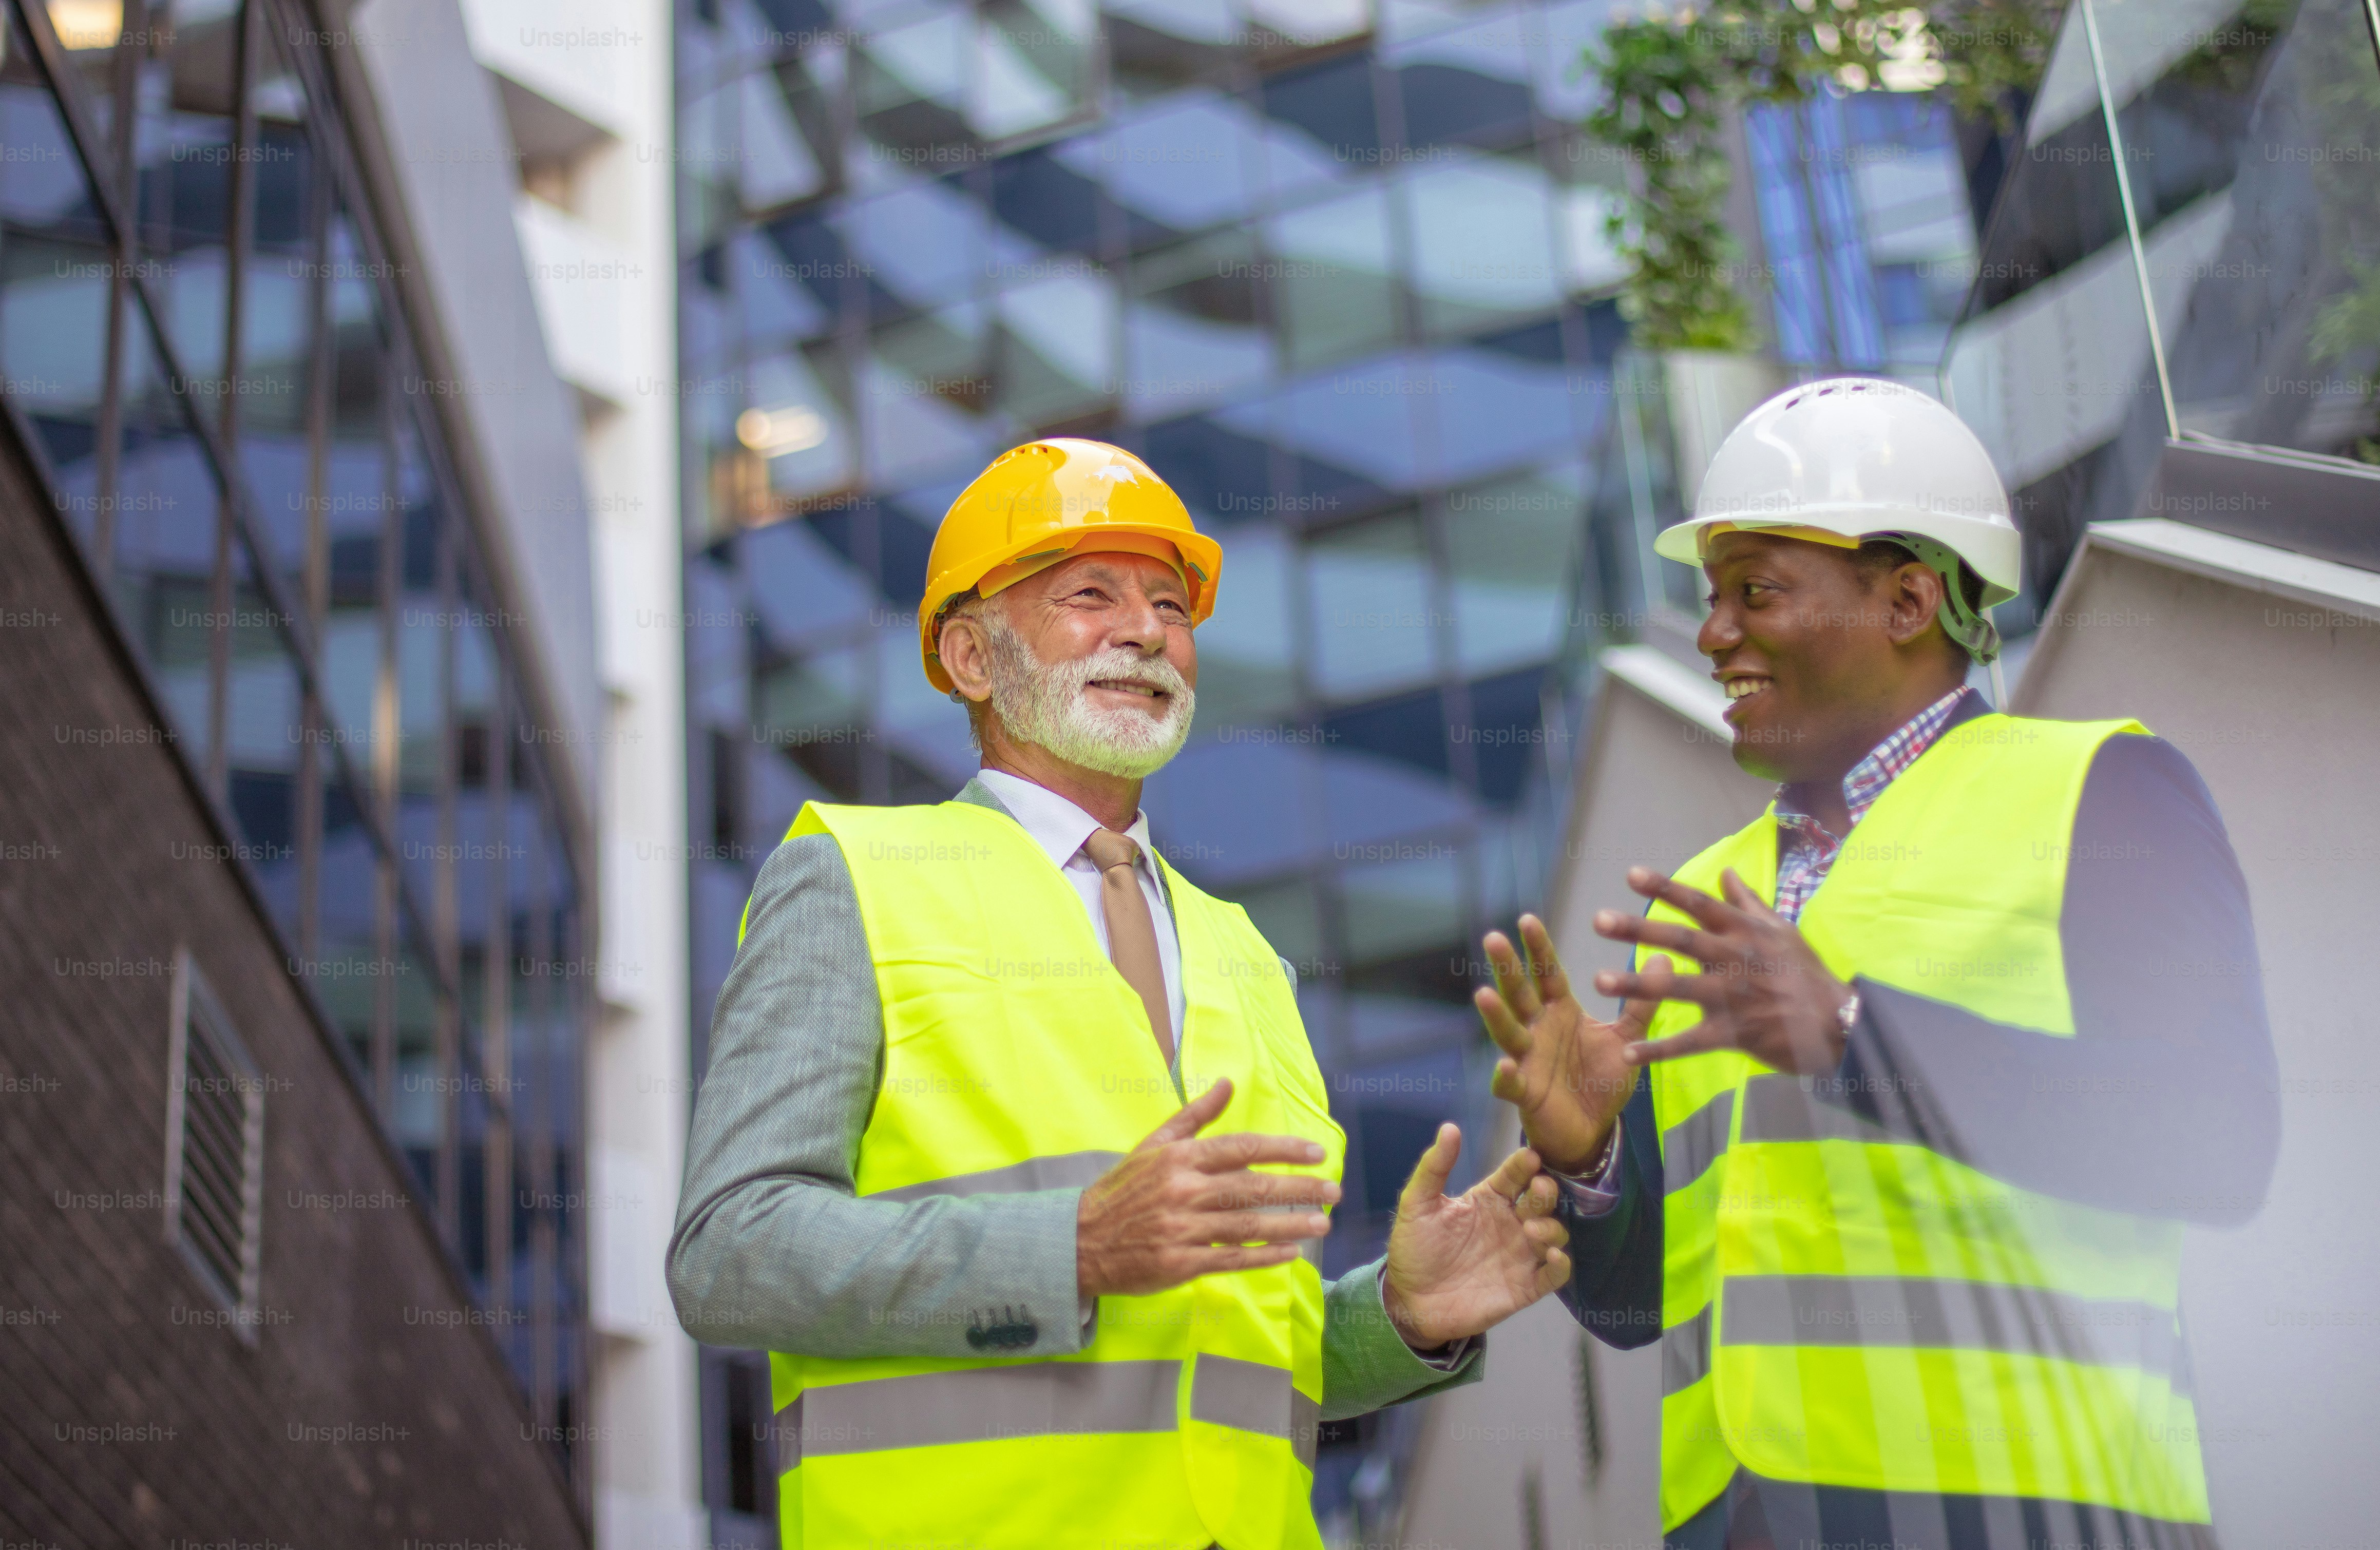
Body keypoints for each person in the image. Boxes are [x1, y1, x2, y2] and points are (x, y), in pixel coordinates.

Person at [671, 437, 1573, 1550]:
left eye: (1169, 606)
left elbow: (1224, 1353)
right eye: (1090, 596)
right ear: (970, 656)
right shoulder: (853, 879)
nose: (1145, 631)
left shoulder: (1246, 957)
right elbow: (728, 1256)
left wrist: (1398, 1316)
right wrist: (1072, 1250)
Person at [1475, 380, 2279, 1550]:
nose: (1711, 634)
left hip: (2028, 1512)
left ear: (1907, 600)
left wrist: (1857, 1036)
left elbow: (2216, 1142)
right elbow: (1645, 1303)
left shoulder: (2098, 793)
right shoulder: (1696, 898)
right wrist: (1589, 1162)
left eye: (1755, 592)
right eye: (1710, 599)